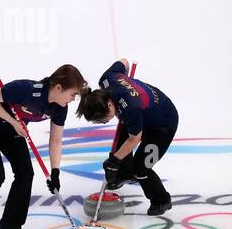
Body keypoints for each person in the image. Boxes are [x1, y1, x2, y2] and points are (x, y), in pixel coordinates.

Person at [0, 65, 87, 229]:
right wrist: (13, 122)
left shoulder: (60, 107)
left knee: (25, 173)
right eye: (72, 94)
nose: (73, 99)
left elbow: (56, 140)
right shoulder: (25, 90)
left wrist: (55, 172)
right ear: (58, 88)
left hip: (11, 130)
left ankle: (10, 225)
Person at [76, 59, 178, 215]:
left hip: (163, 123)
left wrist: (113, 161)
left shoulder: (131, 108)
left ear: (110, 105)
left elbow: (134, 139)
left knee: (141, 166)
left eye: (103, 119)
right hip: (141, 111)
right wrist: (115, 161)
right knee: (120, 147)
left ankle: (161, 200)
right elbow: (124, 62)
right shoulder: (106, 79)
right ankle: (124, 174)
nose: (104, 122)